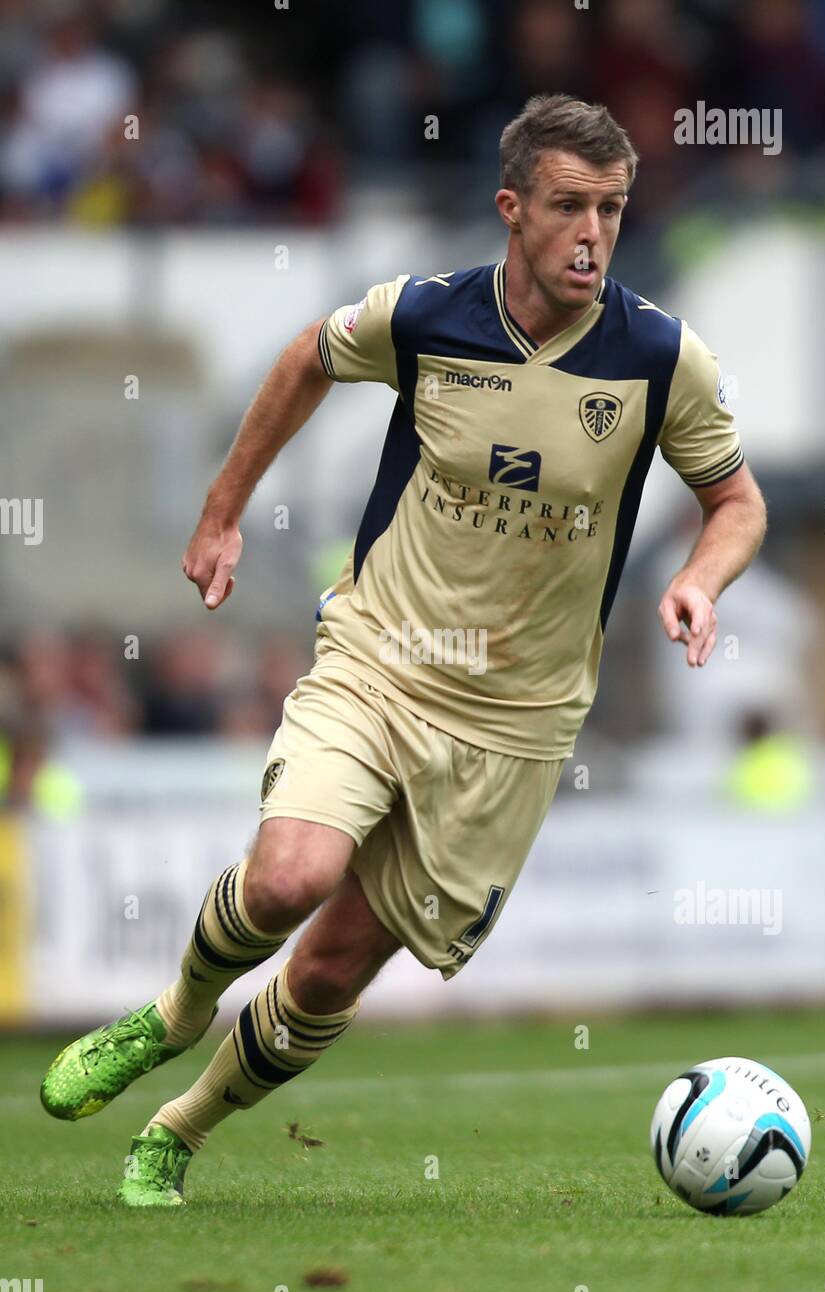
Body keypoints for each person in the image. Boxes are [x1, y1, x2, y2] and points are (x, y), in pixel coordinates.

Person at [40, 94, 767, 1205]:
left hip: (516, 723)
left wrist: (694, 579)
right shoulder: (424, 317)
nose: (591, 235)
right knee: (292, 873)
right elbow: (302, 360)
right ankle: (174, 1016)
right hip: (383, 655)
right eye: (568, 206)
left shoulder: (661, 358)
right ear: (510, 209)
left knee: (331, 966)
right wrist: (222, 511)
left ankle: (176, 1133)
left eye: (611, 210)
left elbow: (736, 503)